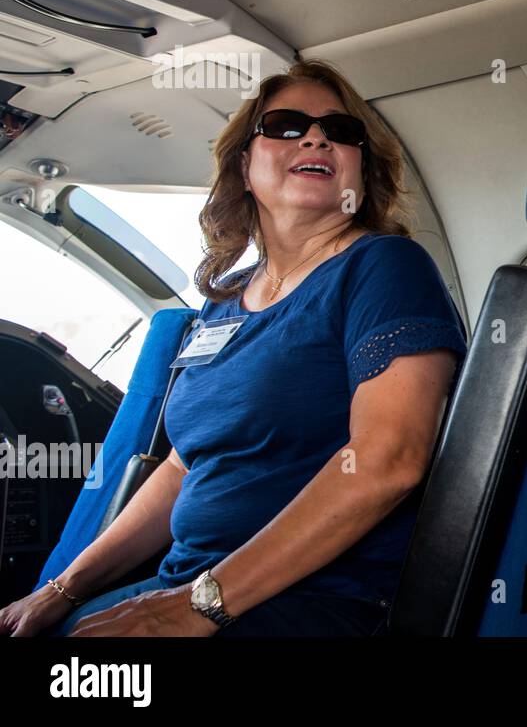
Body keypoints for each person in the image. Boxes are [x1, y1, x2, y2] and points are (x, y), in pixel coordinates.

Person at [0, 60, 466, 637]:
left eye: (341, 132)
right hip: (191, 583)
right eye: (288, 125)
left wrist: (196, 607)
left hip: (318, 599)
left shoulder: (383, 268)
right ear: (244, 165)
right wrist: (61, 590)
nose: (317, 137)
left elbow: (387, 461)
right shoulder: (224, 302)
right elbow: (181, 468)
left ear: (361, 173)